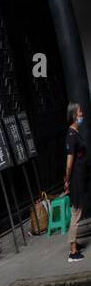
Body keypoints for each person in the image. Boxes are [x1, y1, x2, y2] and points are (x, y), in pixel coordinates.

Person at [64, 101, 87, 262]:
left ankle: (75, 244)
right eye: (79, 113)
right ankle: (72, 252)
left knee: (77, 212)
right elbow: (69, 162)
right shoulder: (71, 135)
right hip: (76, 179)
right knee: (76, 214)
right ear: (73, 115)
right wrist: (67, 180)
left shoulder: (76, 133)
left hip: (80, 177)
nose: (81, 115)